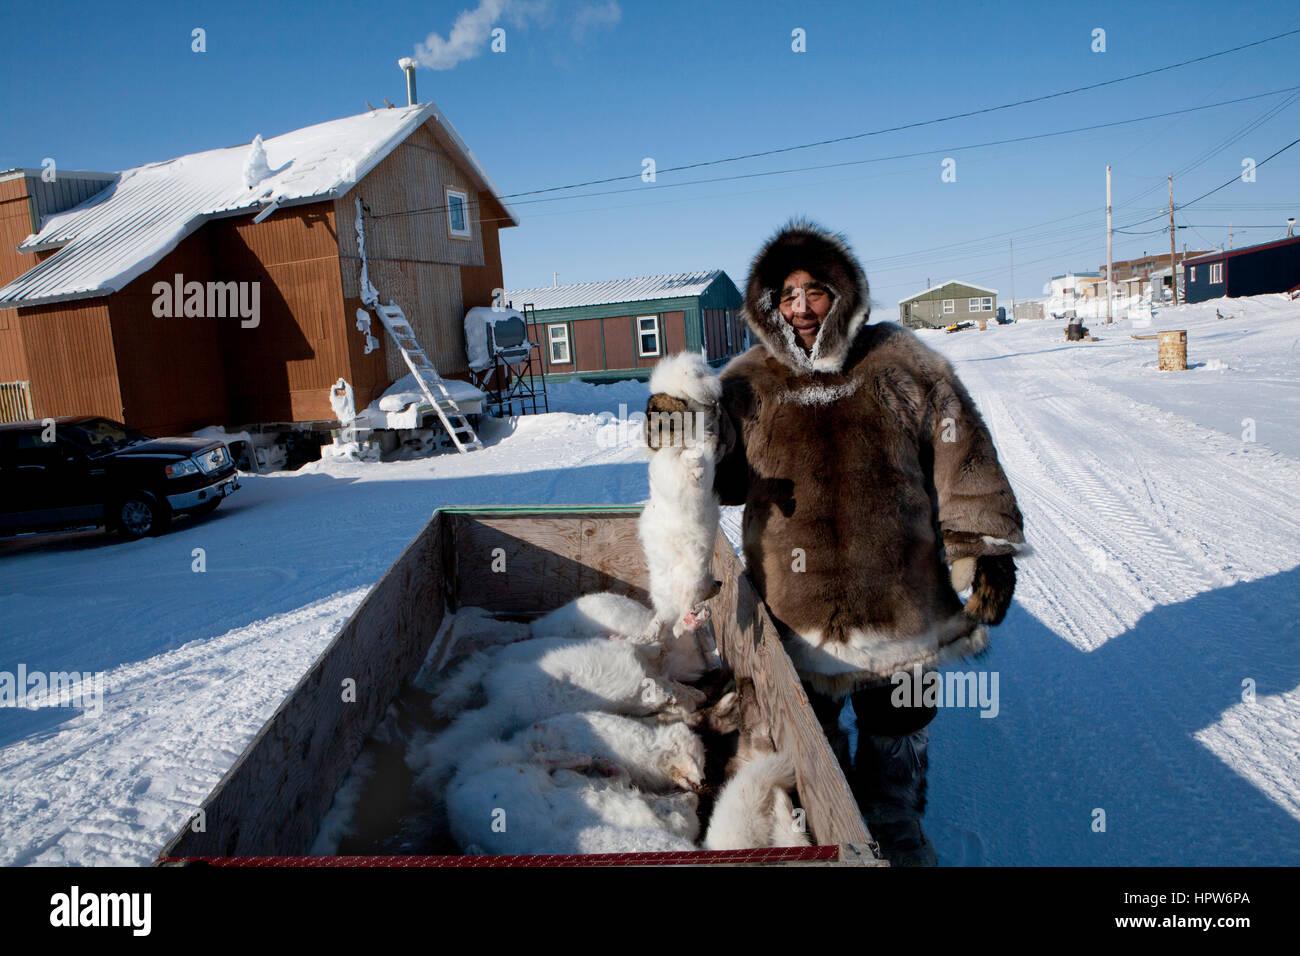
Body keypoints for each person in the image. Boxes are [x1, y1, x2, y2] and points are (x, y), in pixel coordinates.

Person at [646, 220, 1025, 865]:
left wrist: (985, 546)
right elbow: (724, 478)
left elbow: (961, 456)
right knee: (808, 754)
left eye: (813, 292)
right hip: (796, 615)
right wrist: (679, 431)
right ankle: (832, 831)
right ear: (767, 307)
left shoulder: (902, 363)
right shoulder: (749, 382)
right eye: (785, 297)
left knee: (898, 732)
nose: (799, 309)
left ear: (842, 294)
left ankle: (895, 821)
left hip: (900, 607)